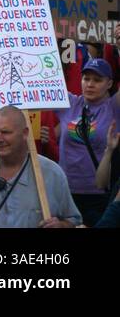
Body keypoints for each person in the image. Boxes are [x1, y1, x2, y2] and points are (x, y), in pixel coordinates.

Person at [58, 58, 118, 225]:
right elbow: (41, 88)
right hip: (64, 192)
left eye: (97, 80)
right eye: (86, 78)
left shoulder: (114, 107)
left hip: (97, 196)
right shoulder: (69, 103)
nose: (90, 84)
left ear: (109, 83)